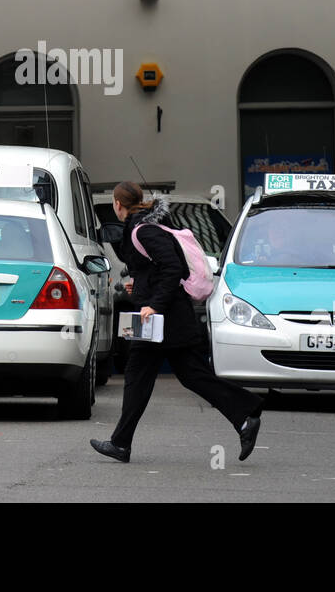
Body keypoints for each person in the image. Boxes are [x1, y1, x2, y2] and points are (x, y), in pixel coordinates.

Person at [91, 182, 264, 464]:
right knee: (167, 375)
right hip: (163, 317)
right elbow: (160, 270)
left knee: (156, 376)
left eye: (114, 203)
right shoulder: (145, 228)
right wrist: (142, 287)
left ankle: (246, 412)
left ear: (118, 205)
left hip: (163, 318)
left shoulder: (144, 231)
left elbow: (174, 268)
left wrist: (153, 304)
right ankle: (245, 413)